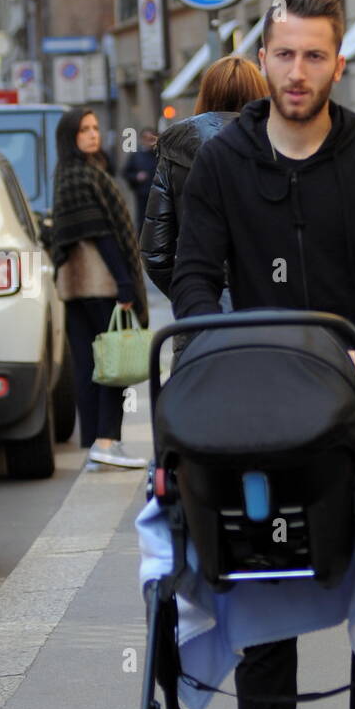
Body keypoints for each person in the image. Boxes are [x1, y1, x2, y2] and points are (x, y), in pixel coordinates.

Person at [170, 0, 355, 709]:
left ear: (337, 64)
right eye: (285, 54)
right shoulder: (224, 163)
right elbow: (193, 275)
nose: (299, 71)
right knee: (258, 587)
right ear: (262, 58)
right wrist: (216, 353)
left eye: (316, 56)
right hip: (253, 418)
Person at [51, 107, 149, 470]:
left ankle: (96, 444)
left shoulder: (67, 173)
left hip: (74, 286)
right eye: (84, 130)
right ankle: (107, 440)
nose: (92, 134)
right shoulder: (83, 175)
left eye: (94, 128)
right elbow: (102, 234)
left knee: (89, 366)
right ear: (70, 137)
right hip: (99, 281)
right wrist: (125, 282)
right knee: (113, 364)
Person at [140, 58, 269, 298]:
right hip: (273, 309)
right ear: (260, 93)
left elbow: (156, 253)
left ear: (206, 95)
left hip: (204, 310)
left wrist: (193, 298)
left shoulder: (176, 150)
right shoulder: (281, 145)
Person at [122, 128, 158, 235]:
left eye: (151, 139)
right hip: (142, 193)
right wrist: (136, 177)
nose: (149, 141)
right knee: (142, 219)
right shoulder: (136, 155)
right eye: (146, 138)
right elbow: (126, 172)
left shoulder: (159, 154)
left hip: (158, 193)